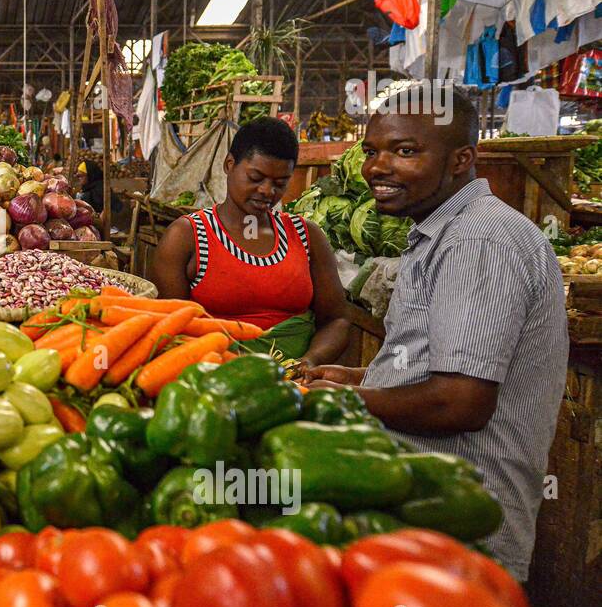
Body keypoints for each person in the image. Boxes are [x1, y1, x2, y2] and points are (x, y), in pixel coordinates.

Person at [306, 86, 567, 581]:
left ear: (461, 159)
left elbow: (460, 401)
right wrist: (360, 377)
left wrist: (349, 402)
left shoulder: (481, 241)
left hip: (461, 526)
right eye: (372, 151)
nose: (377, 168)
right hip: (423, 507)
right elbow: (441, 361)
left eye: (405, 152)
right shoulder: (440, 230)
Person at [150, 117, 350, 364]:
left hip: (296, 386)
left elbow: (337, 320)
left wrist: (309, 362)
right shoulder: (186, 238)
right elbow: (171, 329)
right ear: (229, 164)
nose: (267, 191)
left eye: (280, 183)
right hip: (213, 382)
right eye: (256, 178)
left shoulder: (307, 236)